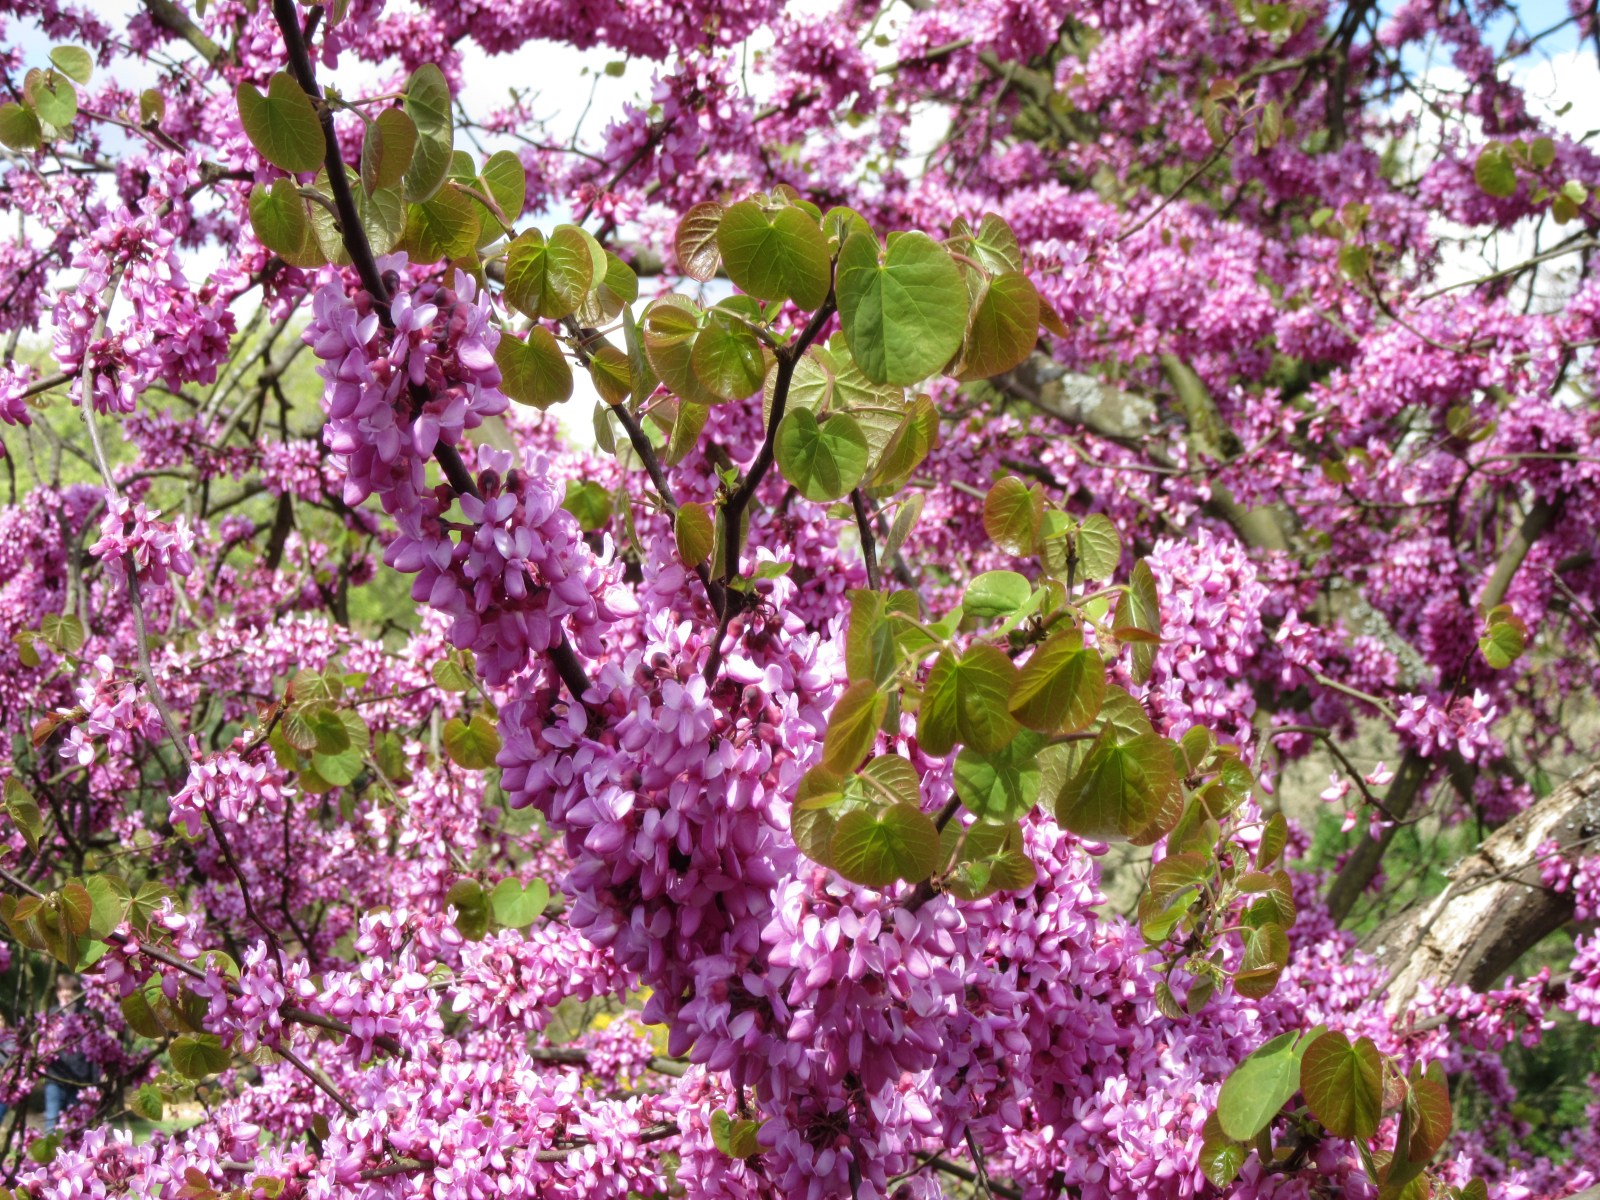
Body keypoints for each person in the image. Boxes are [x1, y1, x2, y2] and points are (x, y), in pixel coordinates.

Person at [45, 975, 95, 1133]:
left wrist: (94, 1083)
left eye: (68, 989)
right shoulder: (50, 1016)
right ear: (57, 993)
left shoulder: (86, 1016)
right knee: (51, 1124)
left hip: (79, 1080)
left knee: (76, 1127)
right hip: (55, 1078)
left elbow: (94, 1051)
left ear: (75, 992)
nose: (65, 993)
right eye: (61, 990)